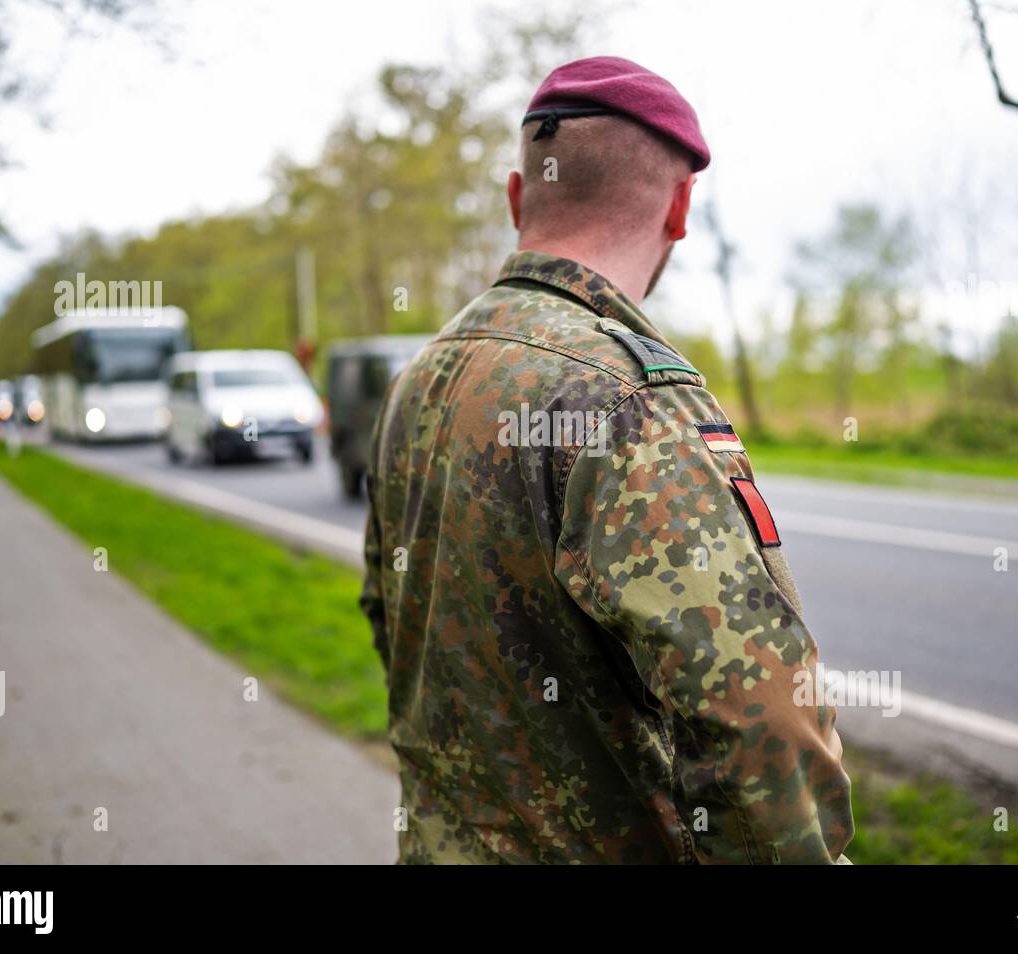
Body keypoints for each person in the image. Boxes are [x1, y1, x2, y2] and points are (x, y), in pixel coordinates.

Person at [361, 55, 853, 864]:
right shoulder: (629, 401)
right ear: (681, 206)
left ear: (519, 197)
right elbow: (758, 720)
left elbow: (394, 622)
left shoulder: (419, 378)